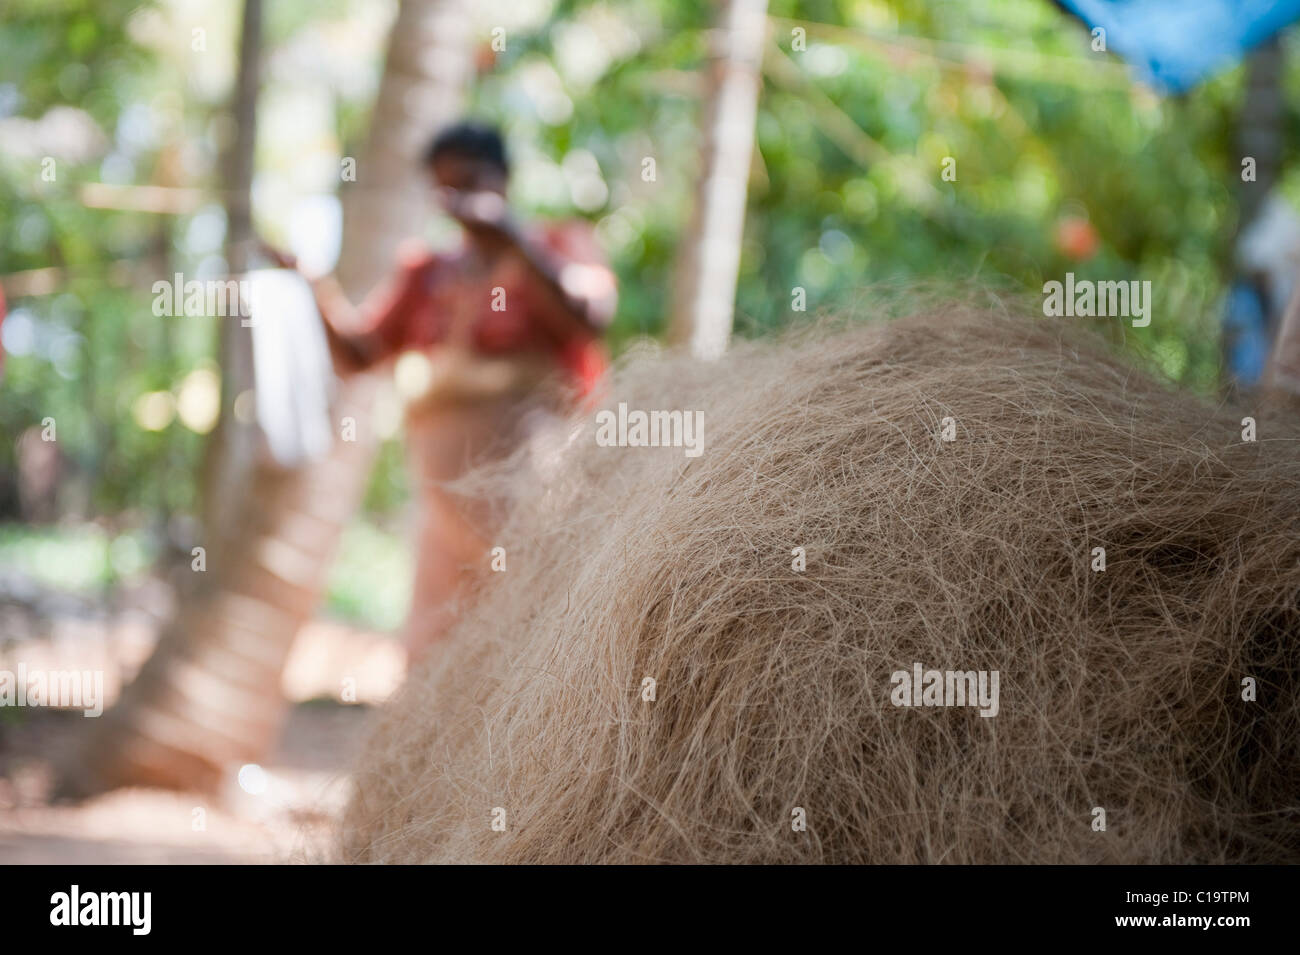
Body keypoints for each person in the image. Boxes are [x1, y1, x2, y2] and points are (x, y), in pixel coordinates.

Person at [280, 121, 617, 661]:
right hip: (441, 491)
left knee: (531, 614)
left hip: (533, 479)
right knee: (436, 640)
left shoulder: (555, 245)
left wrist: (513, 239)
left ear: (504, 181)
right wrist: (312, 281)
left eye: (472, 182)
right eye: (447, 187)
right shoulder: (429, 270)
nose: (459, 199)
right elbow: (360, 355)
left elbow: (592, 316)